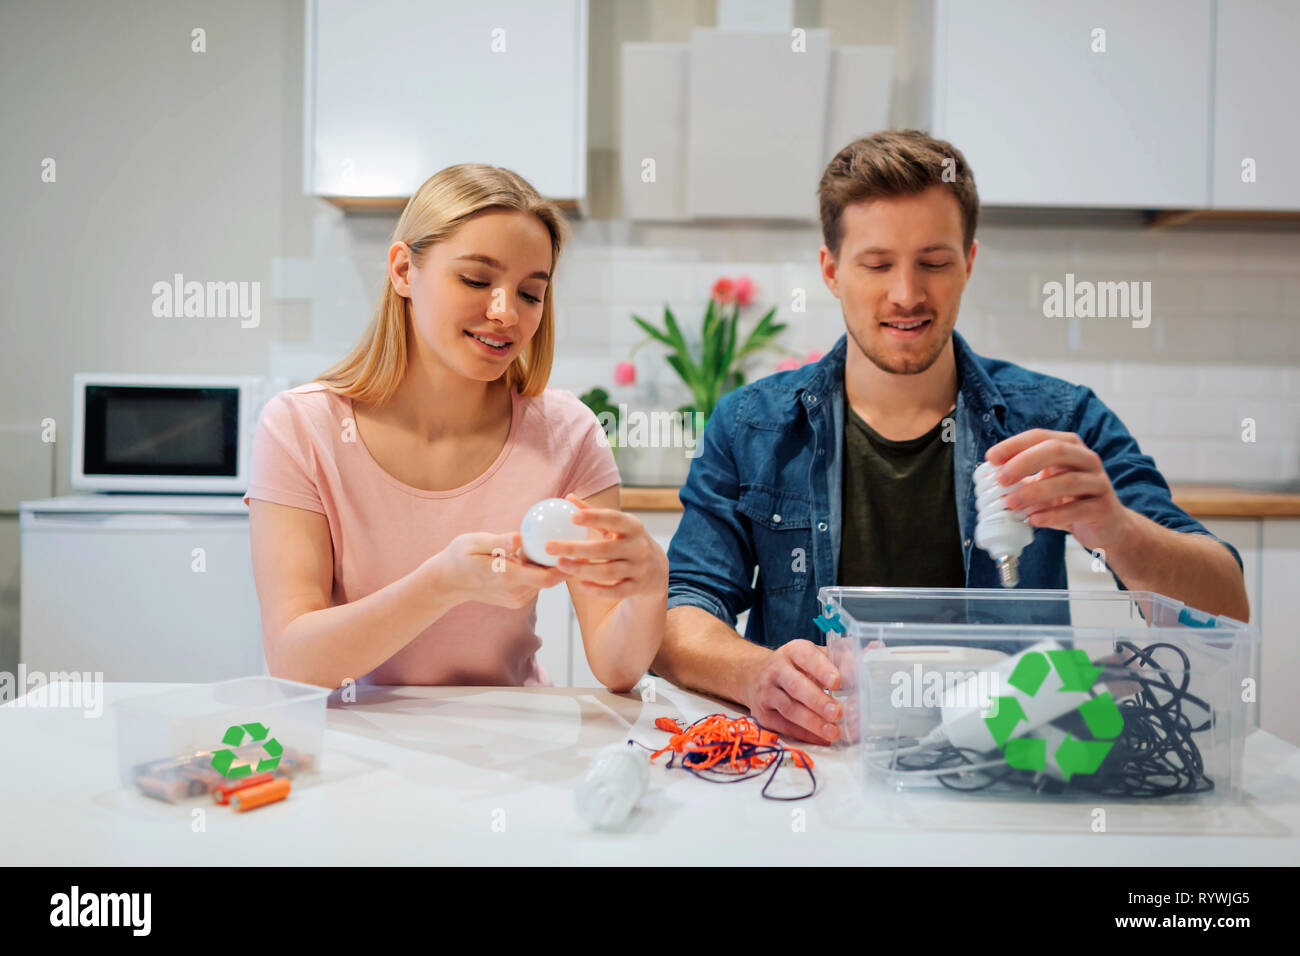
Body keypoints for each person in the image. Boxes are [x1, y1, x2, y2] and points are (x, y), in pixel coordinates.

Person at [655, 130, 1249, 745]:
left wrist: (1119, 531)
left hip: (1014, 767)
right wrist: (755, 673)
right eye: (878, 264)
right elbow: (679, 616)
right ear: (831, 271)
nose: (907, 294)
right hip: (818, 766)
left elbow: (1225, 609)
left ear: (968, 261)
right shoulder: (750, 426)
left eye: (934, 263)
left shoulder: (1059, 419)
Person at [244, 164, 666, 691]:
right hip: (354, 749)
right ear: (403, 270)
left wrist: (648, 588)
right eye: (476, 279)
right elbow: (294, 662)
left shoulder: (569, 434)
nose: (505, 312)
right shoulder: (301, 429)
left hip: (510, 747)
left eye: (530, 293)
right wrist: (442, 583)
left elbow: (616, 666)